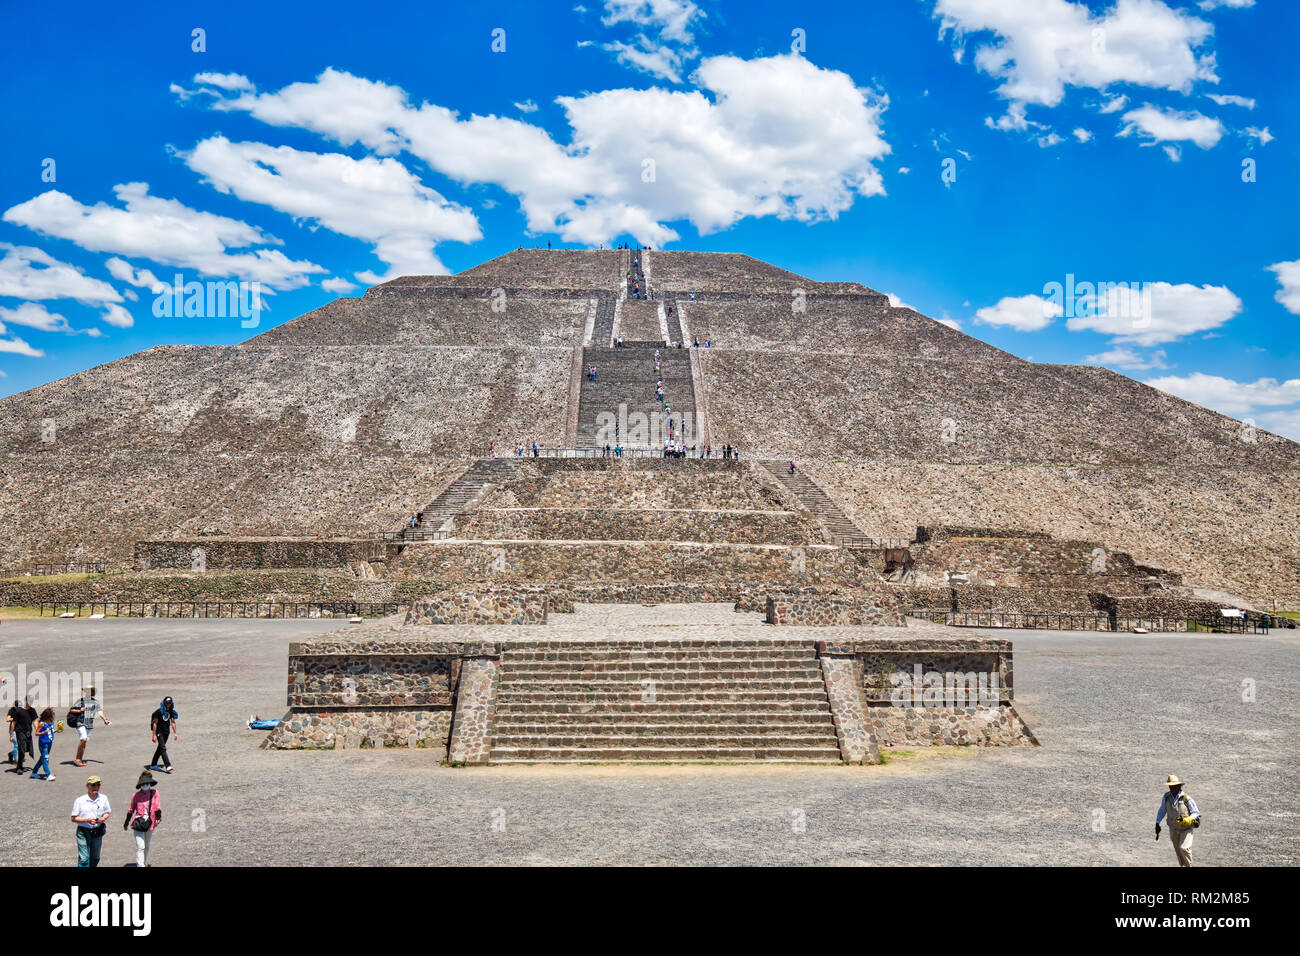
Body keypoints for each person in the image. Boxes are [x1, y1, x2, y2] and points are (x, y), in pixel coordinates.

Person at [1155, 774, 1201, 867]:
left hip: (1186, 829)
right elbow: (1162, 810)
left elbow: (1196, 812)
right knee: (1178, 852)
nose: (1173, 788)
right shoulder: (1166, 797)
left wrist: (1188, 819)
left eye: (1175, 786)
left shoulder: (1186, 798)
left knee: (1184, 848)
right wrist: (1157, 822)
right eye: (1171, 786)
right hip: (1173, 830)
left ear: (1179, 786)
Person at [124, 769, 162, 867]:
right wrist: (126, 822)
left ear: (150, 783)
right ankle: (140, 865)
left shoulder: (155, 793)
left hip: (151, 822)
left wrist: (158, 816)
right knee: (140, 846)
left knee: (147, 845)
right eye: (143, 783)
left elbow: (157, 806)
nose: (145, 785)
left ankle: (144, 863)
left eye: (147, 783)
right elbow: (131, 809)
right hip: (138, 822)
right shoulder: (136, 795)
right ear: (140, 784)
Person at [71, 776, 111, 867]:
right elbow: (73, 818)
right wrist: (87, 820)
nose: (96, 787)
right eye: (93, 785)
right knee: (84, 859)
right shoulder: (80, 801)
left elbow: (107, 812)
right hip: (83, 832)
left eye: (98, 785)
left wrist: (103, 818)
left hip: (97, 831)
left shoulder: (103, 798)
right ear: (87, 786)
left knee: (95, 857)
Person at [70, 686, 110, 768]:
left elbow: (100, 712)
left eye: (91, 691)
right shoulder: (80, 701)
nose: (89, 693)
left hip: (89, 724)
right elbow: (71, 710)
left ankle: (79, 759)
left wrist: (105, 719)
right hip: (80, 722)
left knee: (84, 742)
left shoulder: (95, 702)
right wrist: (79, 710)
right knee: (83, 739)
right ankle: (77, 759)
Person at [149, 696, 179, 773]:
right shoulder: (158, 712)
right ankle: (168, 765)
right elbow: (155, 723)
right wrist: (154, 735)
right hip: (159, 732)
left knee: (160, 748)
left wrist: (175, 733)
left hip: (166, 732)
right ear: (164, 703)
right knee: (163, 748)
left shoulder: (171, 712)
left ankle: (153, 765)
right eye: (166, 703)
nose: (168, 704)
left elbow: (173, 722)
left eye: (169, 703)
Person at [7, 699, 32, 773]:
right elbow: (7, 719)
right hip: (13, 729)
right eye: (17, 707)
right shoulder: (12, 710)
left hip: (21, 731)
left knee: (20, 746)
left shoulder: (22, 710)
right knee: (16, 745)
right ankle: (16, 761)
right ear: (15, 706)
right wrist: (15, 718)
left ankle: (11, 754)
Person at [29, 707, 55, 780]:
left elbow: (50, 731)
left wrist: (56, 731)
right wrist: (43, 732)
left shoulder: (50, 722)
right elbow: (36, 733)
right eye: (51, 715)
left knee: (43, 758)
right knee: (45, 758)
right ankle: (48, 774)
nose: (52, 717)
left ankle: (34, 772)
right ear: (47, 716)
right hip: (43, 743)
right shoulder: (41, 724)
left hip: (50, 742)